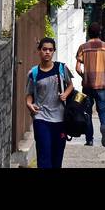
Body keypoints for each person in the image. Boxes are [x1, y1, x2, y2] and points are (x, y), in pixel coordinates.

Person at [26, 37, 74, 168]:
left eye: (50, 50)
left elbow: (71, 85)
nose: (47, 52)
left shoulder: (61, 68)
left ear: (54, 52)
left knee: (57, 158)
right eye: (44, 49)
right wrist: (29, 104)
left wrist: (65, 94)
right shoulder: (33, 73)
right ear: (39, 51)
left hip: (60, 119)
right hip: (41, 118)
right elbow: (29, 95)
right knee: (44, 156)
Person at [75, 22, 105, 148]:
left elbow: (77, 68)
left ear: (89, 33)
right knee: (102, 110)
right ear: (100, 33)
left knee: (87, 112)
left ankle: (89, 139)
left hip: (88, 86)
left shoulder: (83, 47)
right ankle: (104, 125)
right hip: (102, 85)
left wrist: (84, 76)